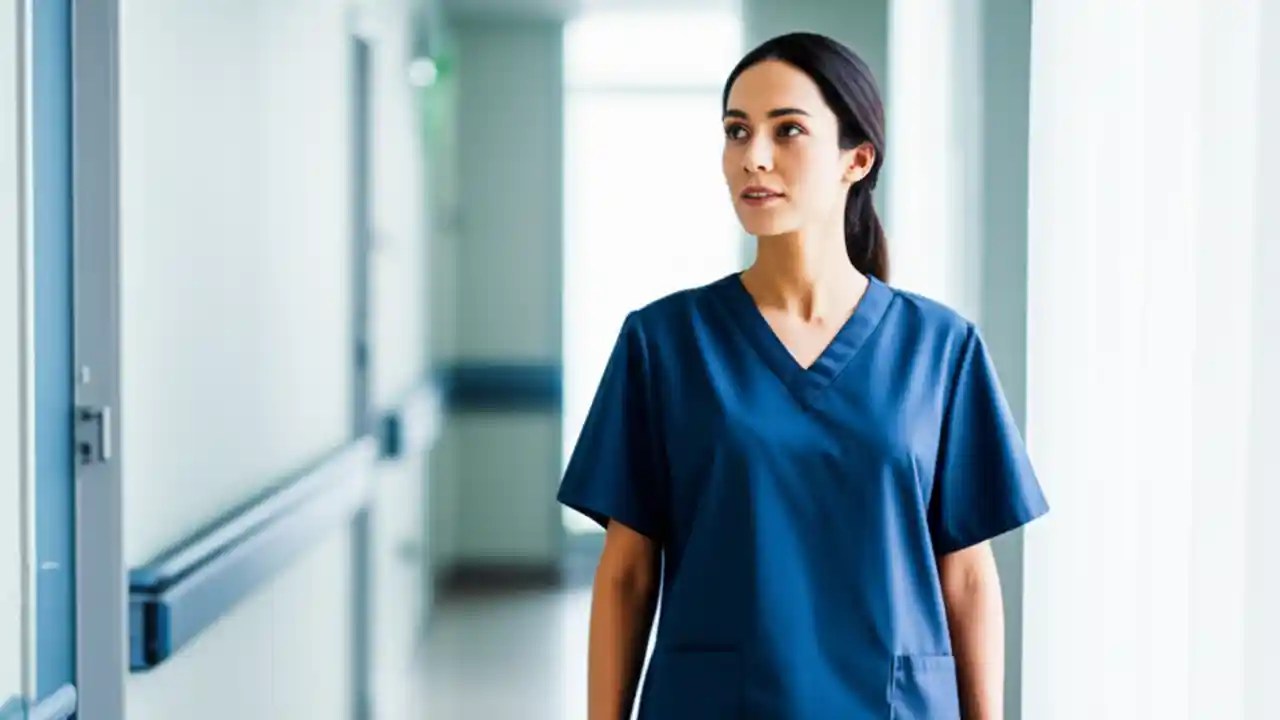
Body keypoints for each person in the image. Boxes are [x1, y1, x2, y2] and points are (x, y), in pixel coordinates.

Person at [557, 31, 1048, 720]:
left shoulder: (940, 348)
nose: (753, 157)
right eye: (737, 131)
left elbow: (965, 575)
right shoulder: (663, 342)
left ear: (858, 158)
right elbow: (627, 574)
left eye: (788, 130)